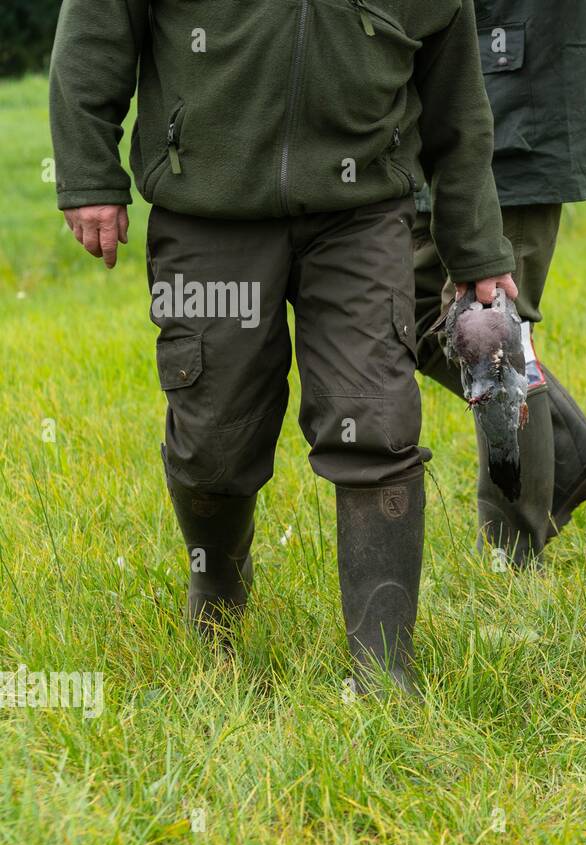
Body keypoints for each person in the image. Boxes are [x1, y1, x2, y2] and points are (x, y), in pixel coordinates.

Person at [49, 0, 516, 695]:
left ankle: (382, 671)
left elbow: (458, 110)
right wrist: (90, 174)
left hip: (362, 217)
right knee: (214, 438)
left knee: (377, 421)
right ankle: (217, 592)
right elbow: (94, 32)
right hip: (208, 211)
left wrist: (476, 247)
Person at [412, 0, 586, 567]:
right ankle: (576, 450)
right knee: (414, 311)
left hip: (519, 89)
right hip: (423, 97)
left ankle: (513, 557)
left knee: (484, 327)